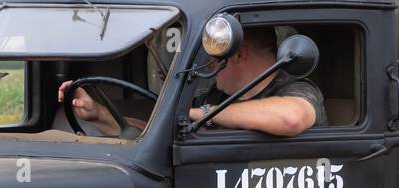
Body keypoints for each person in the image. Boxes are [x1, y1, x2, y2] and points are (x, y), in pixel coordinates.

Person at [59, 25, 325, 137]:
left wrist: (203, 113)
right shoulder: (215, 94)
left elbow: (292, 117)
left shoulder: (295, 88)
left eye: (214, 58)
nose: (208, 67)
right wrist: (99, 115)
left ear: (239, 54)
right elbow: (161, 134)